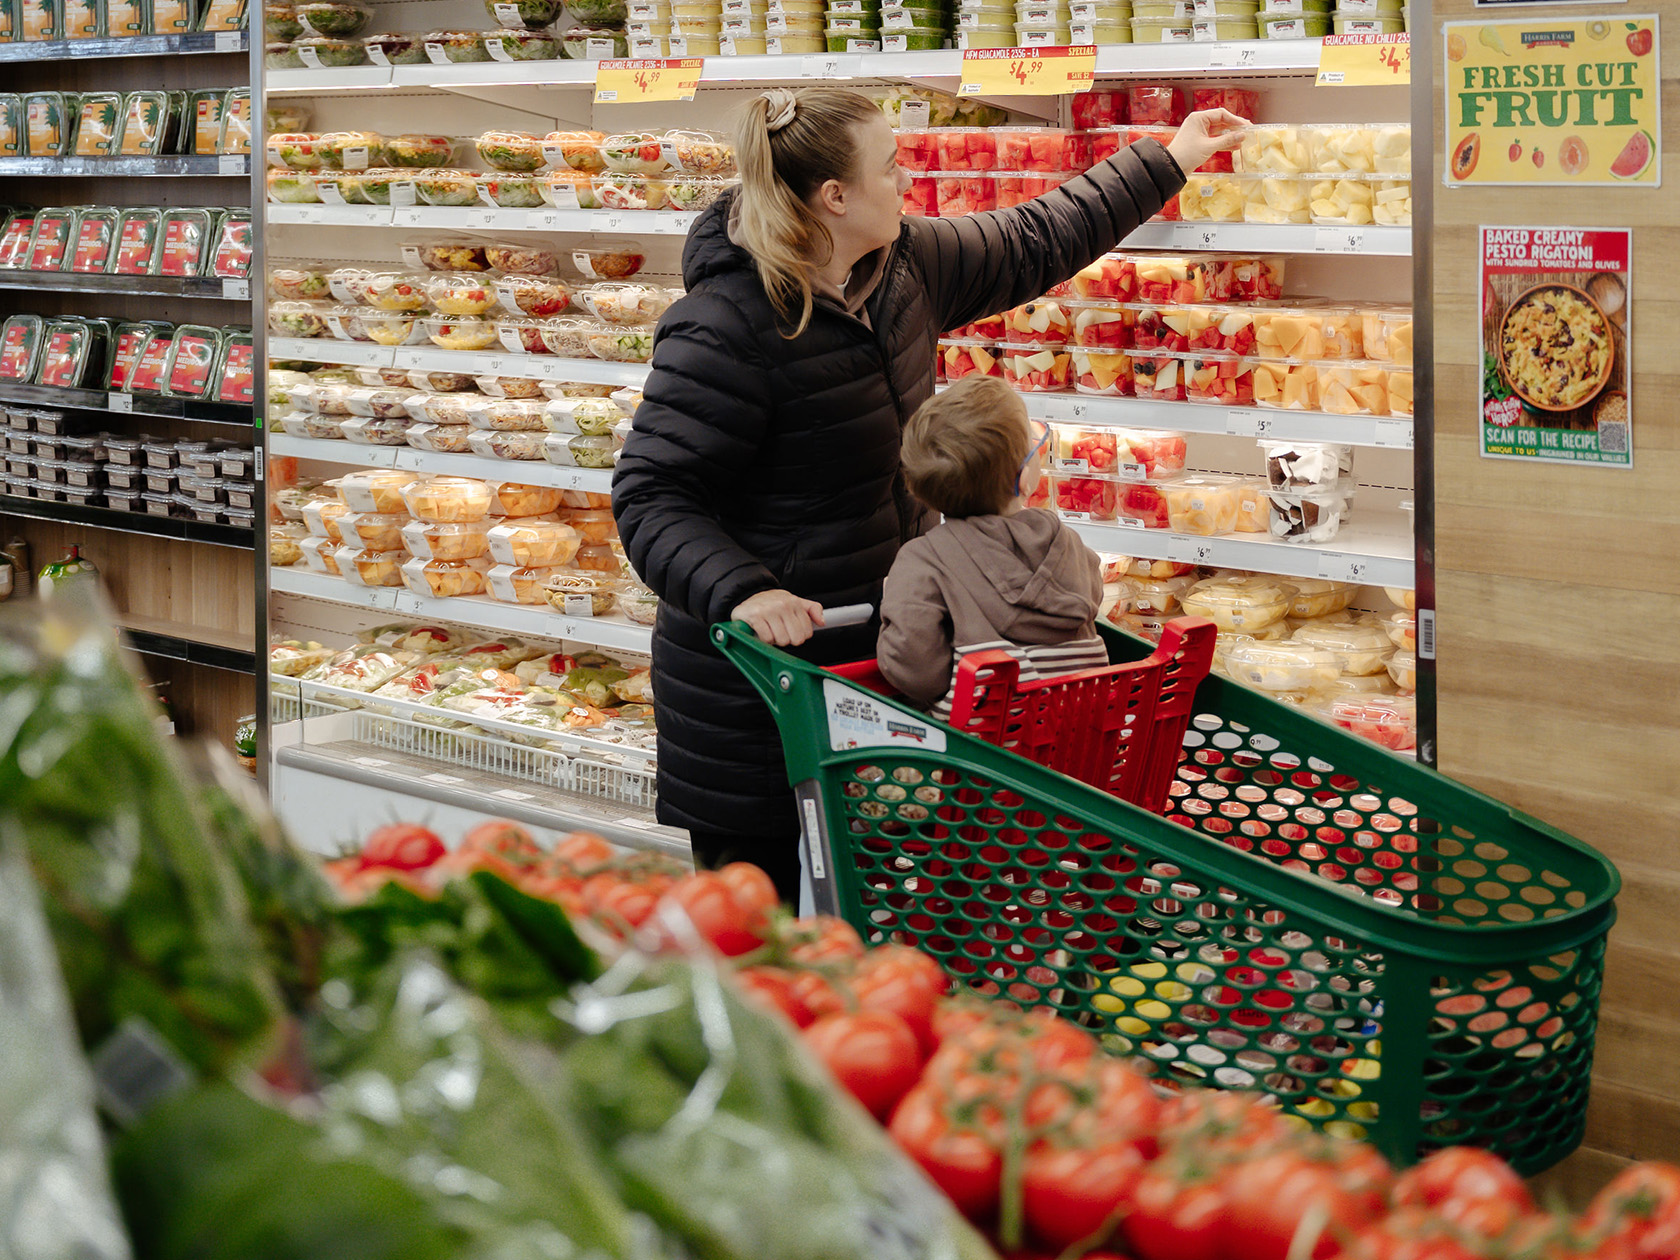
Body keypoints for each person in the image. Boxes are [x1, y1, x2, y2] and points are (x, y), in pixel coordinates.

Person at [612, 85, 1244, 901]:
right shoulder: (723, 327)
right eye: (891, 166)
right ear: (835, 197)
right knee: (756, 935)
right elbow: (651, 494)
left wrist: (1170, 156)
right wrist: (743, 592)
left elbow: (1034, 236)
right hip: (757, 693)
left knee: (873, 932)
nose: (907, 181)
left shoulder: (902, 265)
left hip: (879, 666)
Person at [877, 375, 1107, 715]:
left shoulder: (922, 560)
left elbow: (917, 672)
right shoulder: (1066, 543)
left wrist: (893, 608)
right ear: (1024, 478)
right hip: (1075, 742)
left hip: (984, 754)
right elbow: (1093, 597)